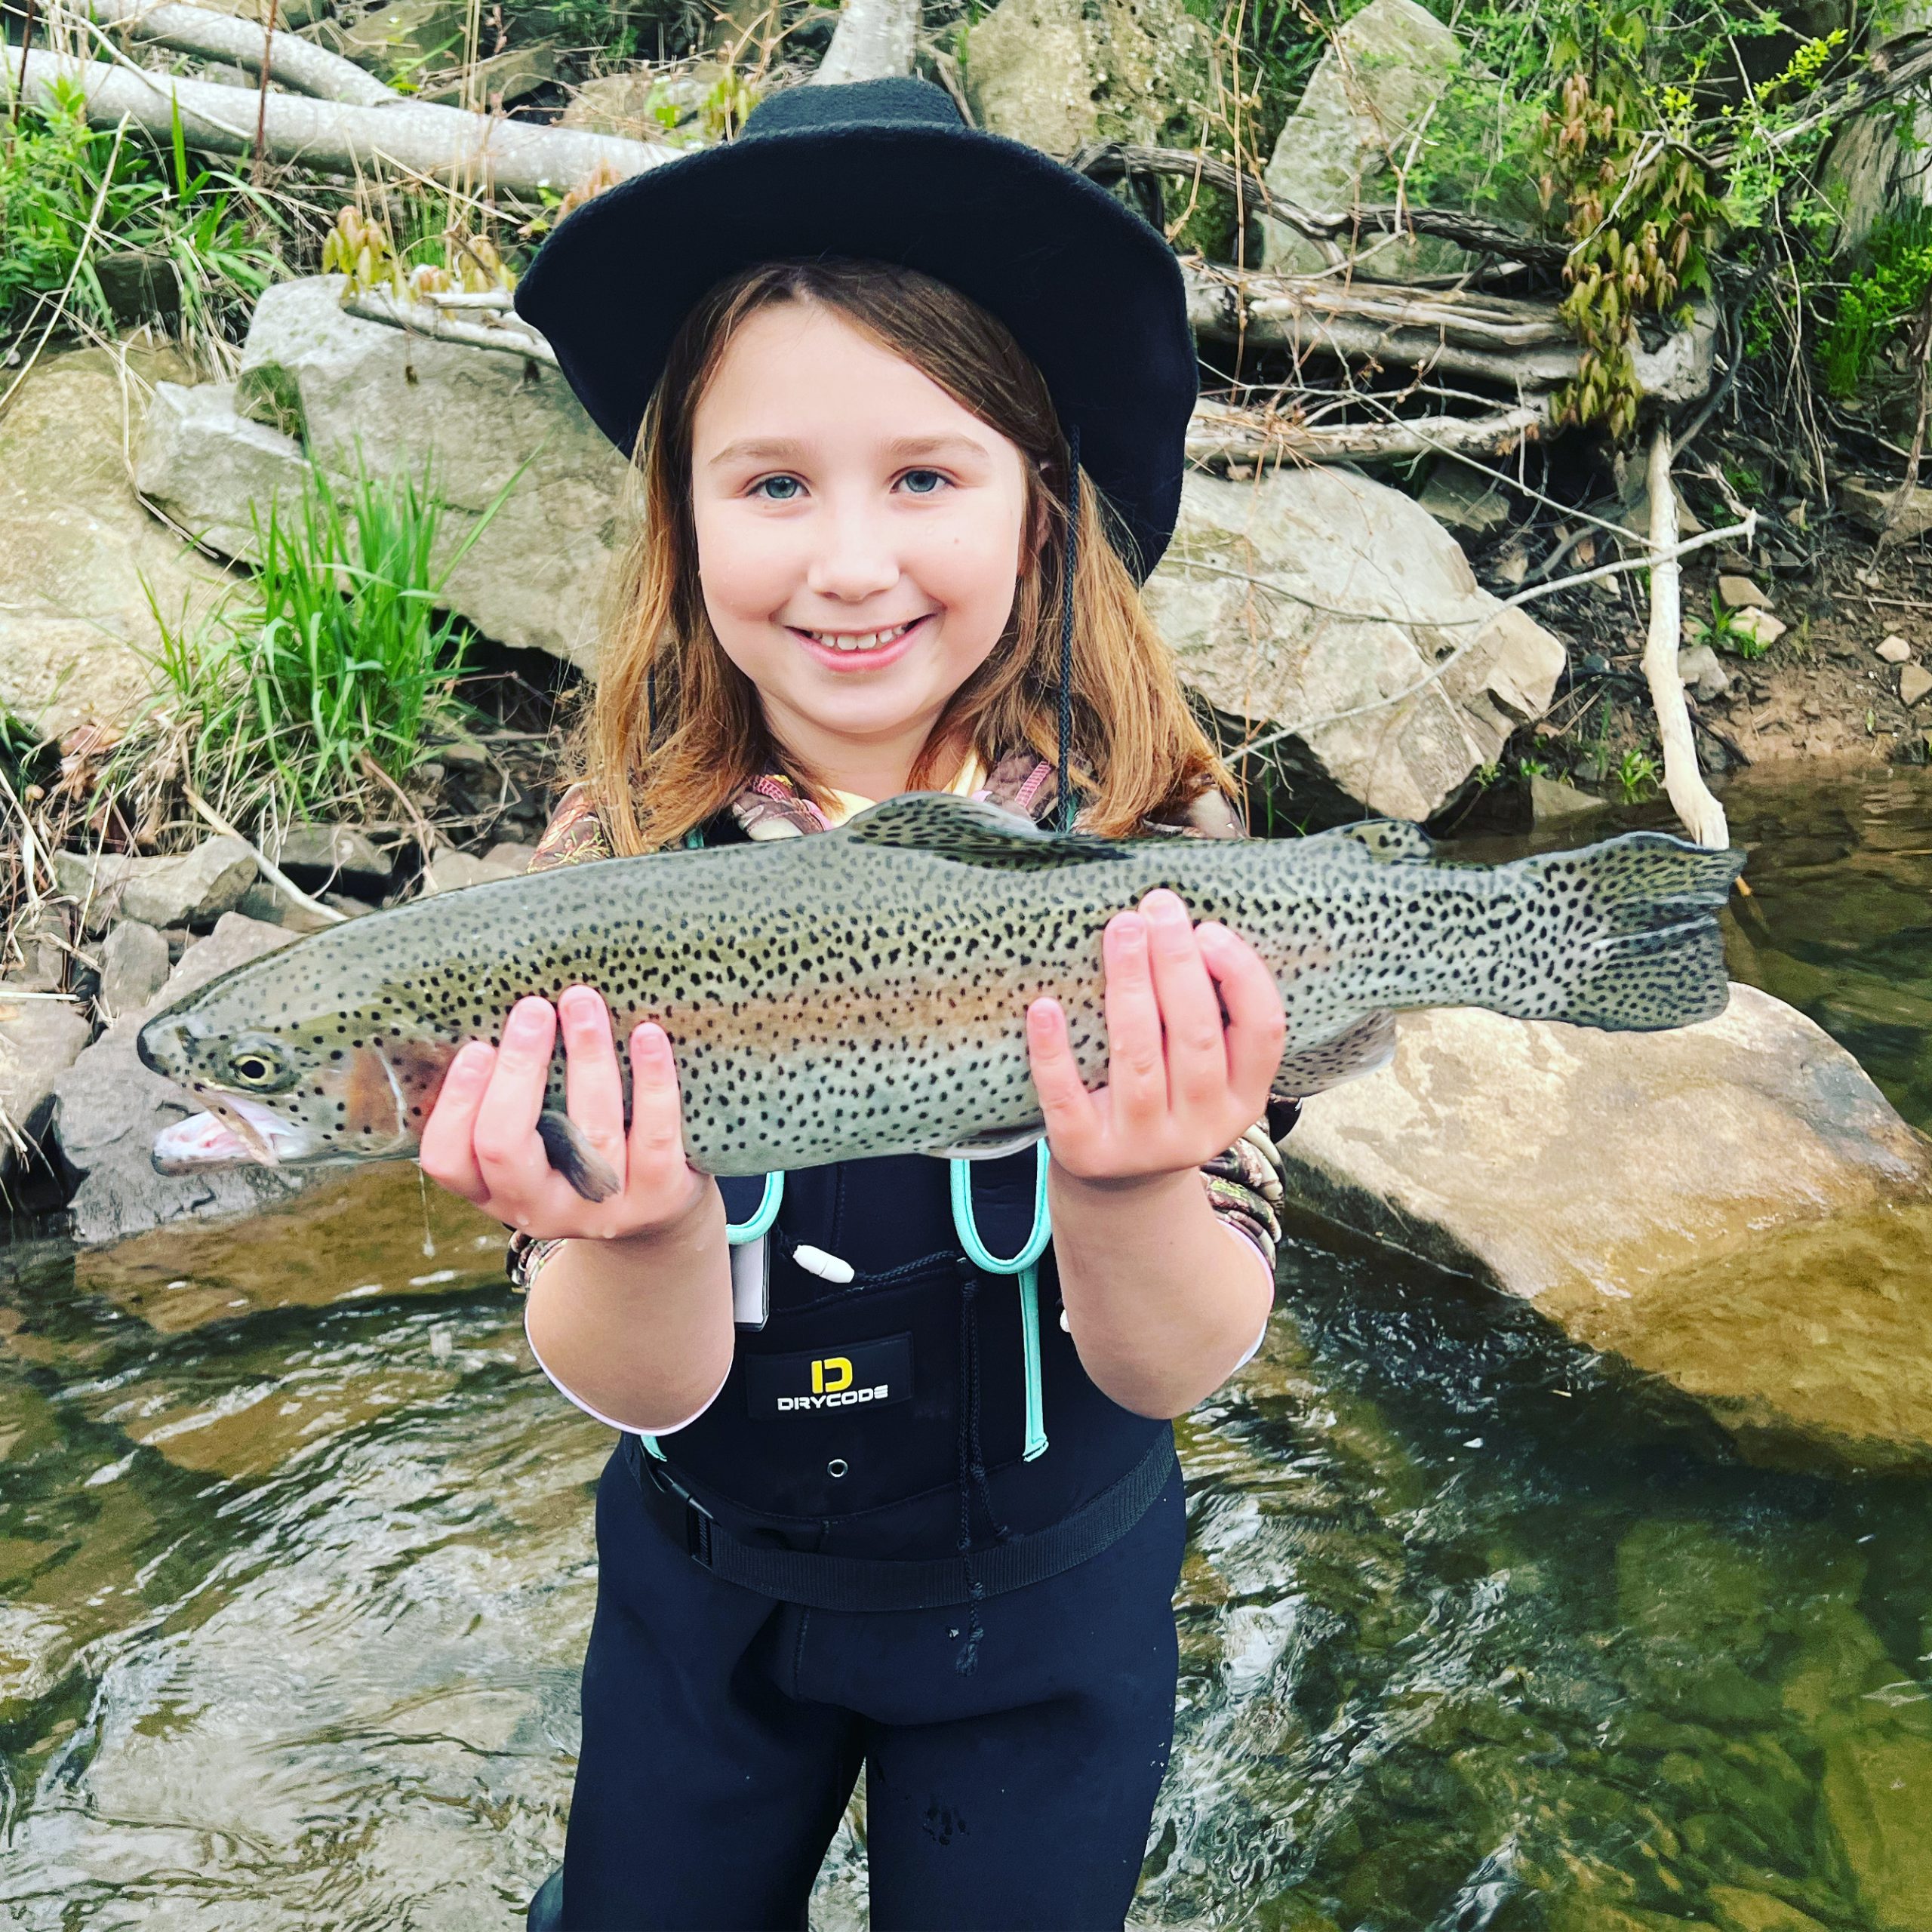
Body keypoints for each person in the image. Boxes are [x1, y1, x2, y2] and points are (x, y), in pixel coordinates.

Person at [418, 76, 1301, 1932]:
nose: (844, 560)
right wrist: (641, 1221)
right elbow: (627, 1381)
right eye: (770, 484)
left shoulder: (1163, 841)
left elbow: (1176, 1364)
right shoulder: (608, 866)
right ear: (681, 516)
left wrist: (1137, 1181)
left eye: (922, 474)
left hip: (1054, 1613)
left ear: (1041, 510)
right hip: (702, 1600)